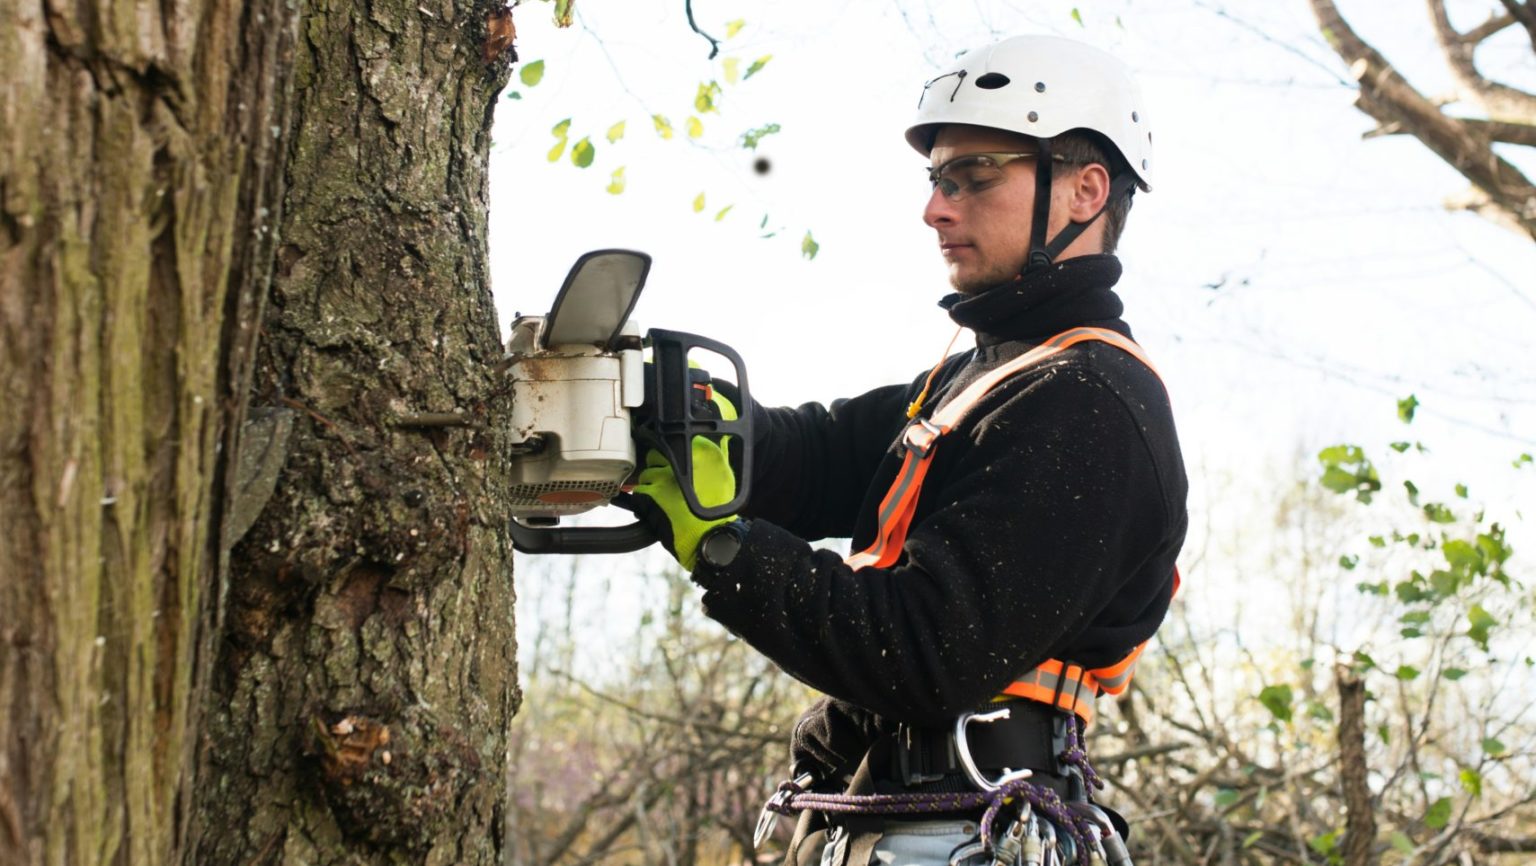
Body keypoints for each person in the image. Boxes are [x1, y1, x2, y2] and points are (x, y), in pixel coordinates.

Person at [628, 34, 1188, 866]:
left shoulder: (1089, 402)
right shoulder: (983, 379)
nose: (936, 209)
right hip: (901, 821)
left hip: (970, 831)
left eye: (975, 177)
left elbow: (927, 651)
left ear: (1085, 189)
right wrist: (687, 413)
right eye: (936, 180)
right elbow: (818, 456)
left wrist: (719, 544)